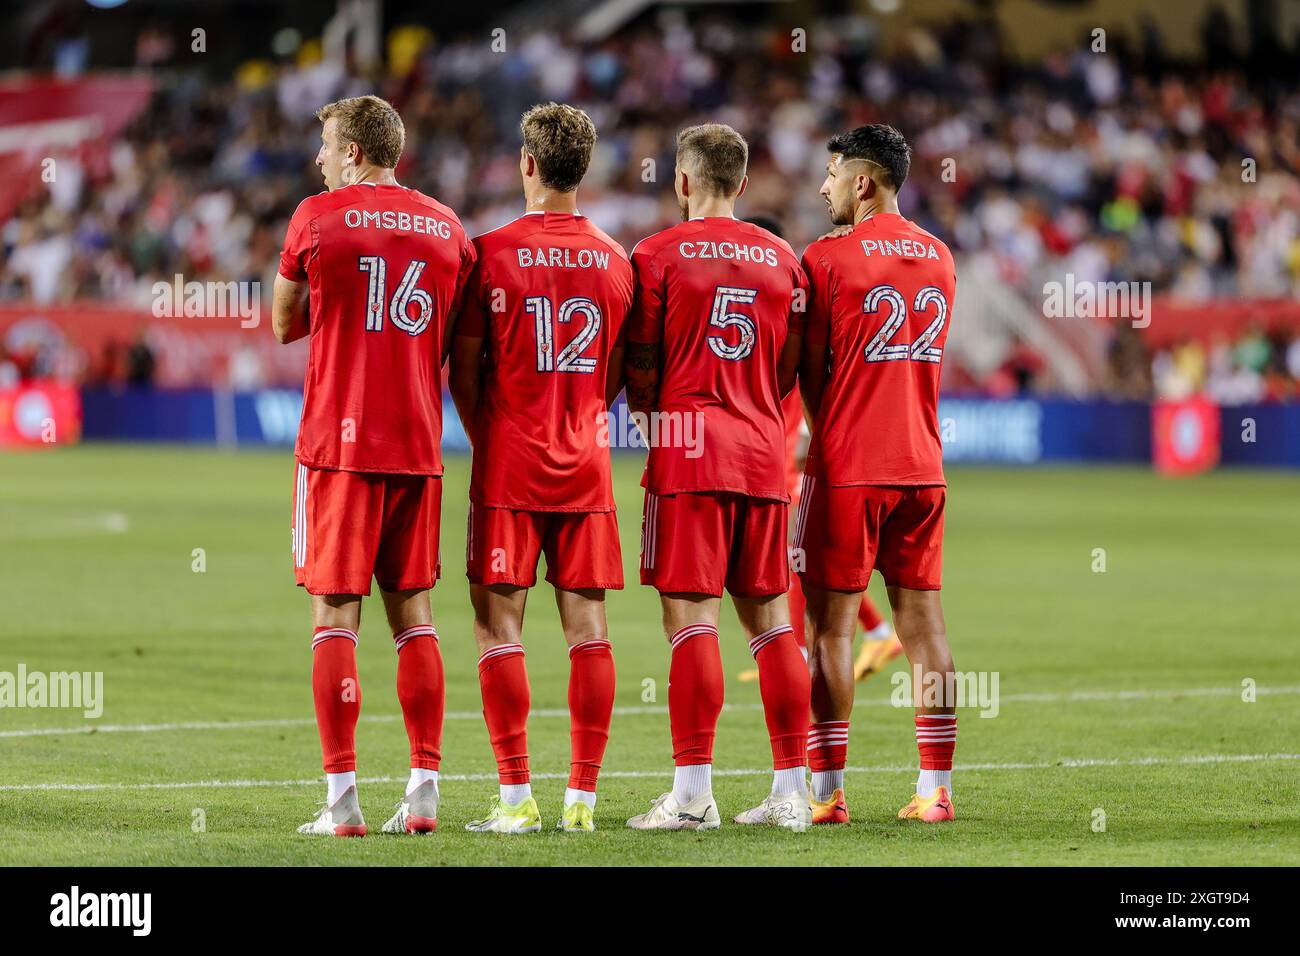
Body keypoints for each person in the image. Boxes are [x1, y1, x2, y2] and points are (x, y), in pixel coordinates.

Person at [272, 95, 475, 837]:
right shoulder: (450, 227)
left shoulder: (316, 217)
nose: (319, 159)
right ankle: (424, 789)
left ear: (354, 150)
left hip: (339, 447)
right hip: (419, 445)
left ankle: (342, 801)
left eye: (327, 145)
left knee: (334, 618)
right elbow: (457, 335)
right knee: (415, 618)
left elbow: (284, 321)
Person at [448, 103, 632, 834]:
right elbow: (618, 371)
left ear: (527, 164)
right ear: (581, 170)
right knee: (590, 630)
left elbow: (462, 371)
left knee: (500, 630)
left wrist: (490, 435)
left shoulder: (488, 253)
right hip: (585, 467)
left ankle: (517, 799)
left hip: (510, 470)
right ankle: (582, 801)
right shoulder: (618, 261)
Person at [623, 124, 812, 832]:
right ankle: (793, 794)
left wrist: (655, 427)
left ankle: (694, 794)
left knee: (691, 619)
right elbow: (790, 367)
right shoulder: (782, 258)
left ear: (682, 181)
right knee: (772, 623)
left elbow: (639, 365)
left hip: (690, 456)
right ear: (740, 182)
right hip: (765, 456)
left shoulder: (655, 254)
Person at [796, 124, 959, 825]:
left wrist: (825, 428)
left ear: (863, 182)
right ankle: (935, 791)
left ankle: (828, 793)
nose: (822, 186)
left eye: (832, 174)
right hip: (922, 464)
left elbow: (807, 374)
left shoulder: (827, 258)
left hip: (849, 467)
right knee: (924, 624)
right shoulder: (940, 255)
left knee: (830, 629)